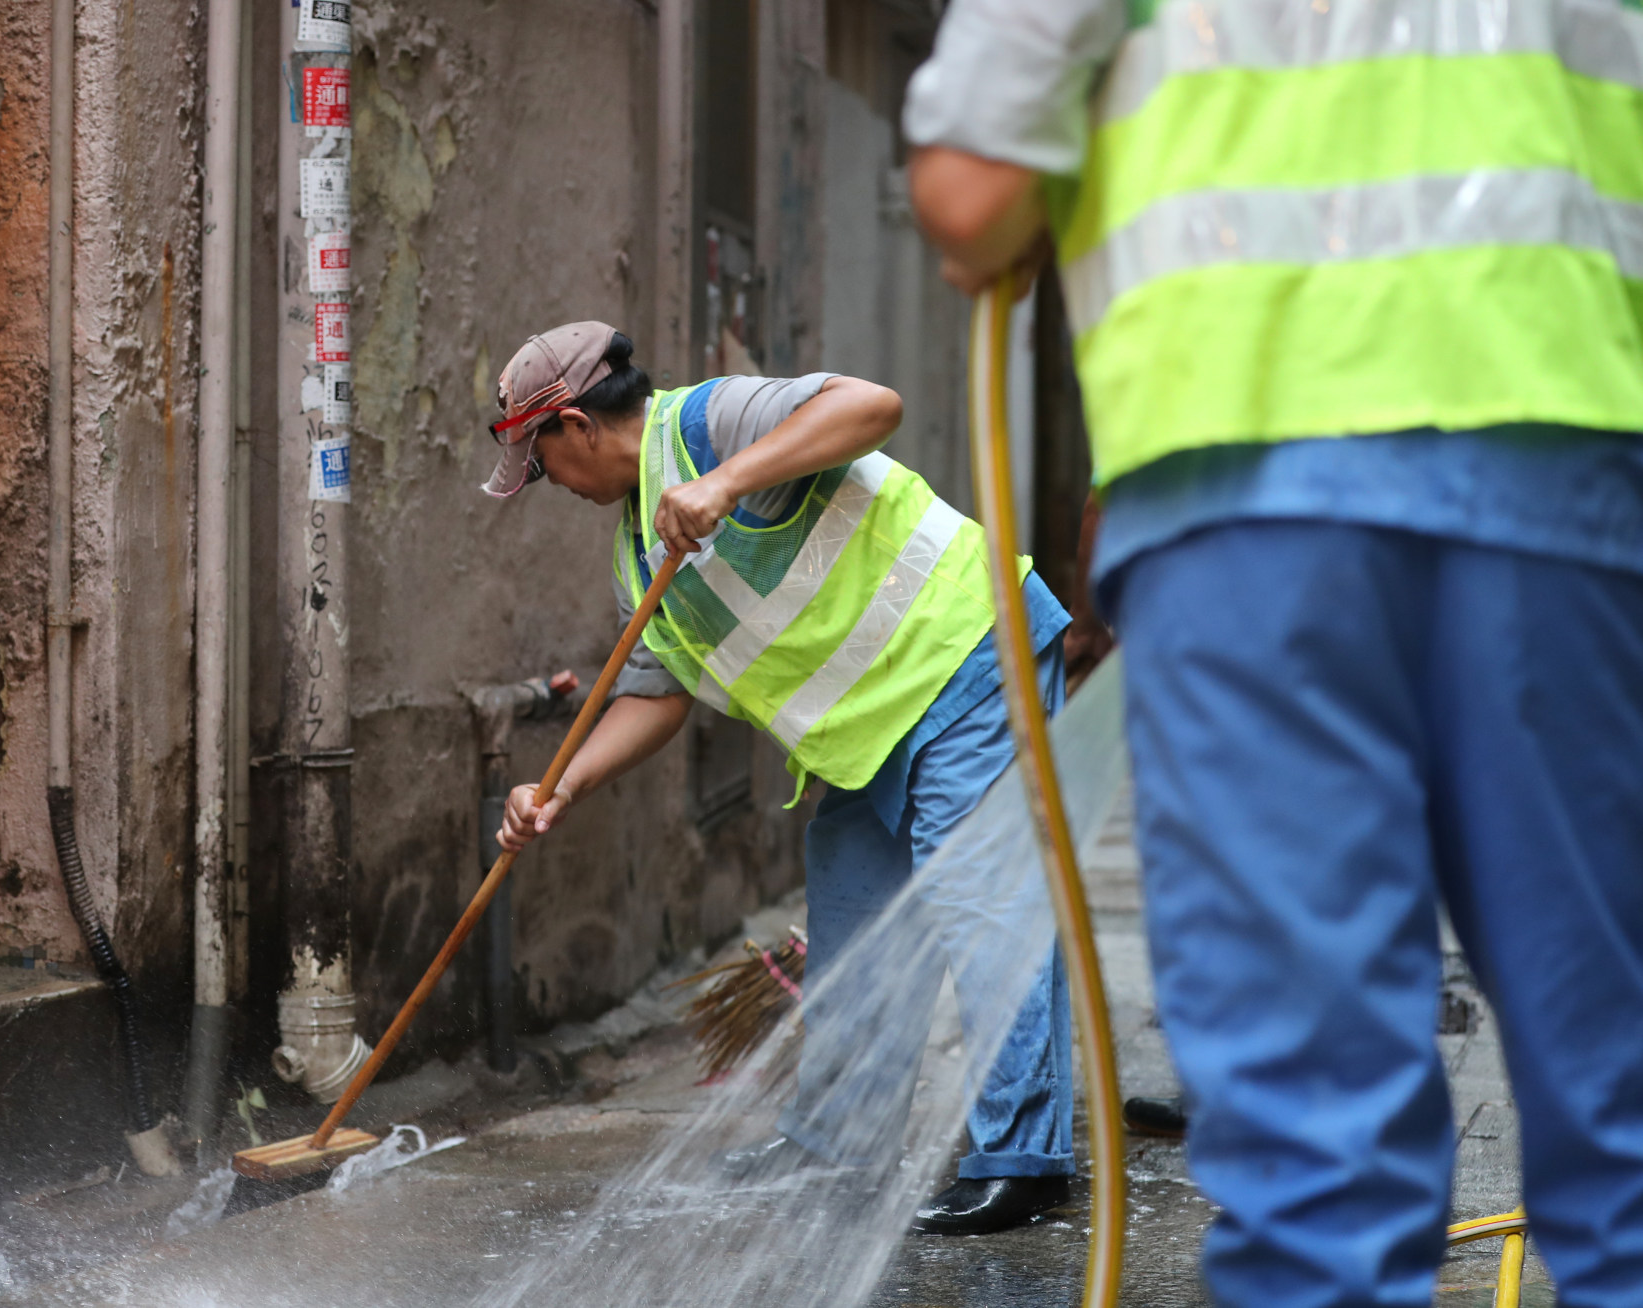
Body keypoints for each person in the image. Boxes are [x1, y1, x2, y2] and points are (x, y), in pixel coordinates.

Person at [904, 2, 1643, 1304]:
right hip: (1564, 466)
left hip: (1246, 479)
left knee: (1320, 1160)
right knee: (1616, 1099)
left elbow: (970, 195)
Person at [484, 322, 1076, 1234]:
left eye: (539, 462)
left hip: (969, 657)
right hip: (870, 737)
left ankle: (1023, 1163)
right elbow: (656, 694)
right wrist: (562, 786)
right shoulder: (637, 554)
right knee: (853, 924)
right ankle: (840, 1143)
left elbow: (871, 406)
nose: (546, 484)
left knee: (982, 904)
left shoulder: (711, 422)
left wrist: (724, 482)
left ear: (575, 425)